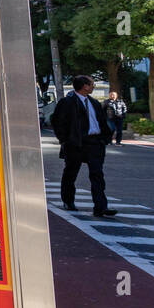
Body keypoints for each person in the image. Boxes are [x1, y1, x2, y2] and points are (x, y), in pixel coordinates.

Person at [50, 75, 117, 216]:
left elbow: (102, 121)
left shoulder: (94, 103)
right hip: (75, 144)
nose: (93, 87)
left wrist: (105, 138)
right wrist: (65, 140)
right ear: (84, 86)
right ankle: (68, 200)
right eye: (92, 84)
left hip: (95, 143)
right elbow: (57, 121)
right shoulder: (67, 102)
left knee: (97, 174)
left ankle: (100, 207)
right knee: (71, 173)